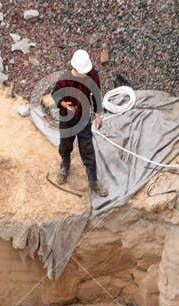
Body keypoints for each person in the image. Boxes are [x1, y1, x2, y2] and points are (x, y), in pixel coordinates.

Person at [52, 49, 104, 197]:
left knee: (87, 150)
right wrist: (62, 103)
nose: (85, 74)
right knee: (65, 145)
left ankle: (93, 181)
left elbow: (97, 95)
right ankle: (65, 165)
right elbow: (55, 94)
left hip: (84, 119)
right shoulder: (64, 79)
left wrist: (99, 115)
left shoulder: (92, 75)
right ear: (75, 68)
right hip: (67, 120)